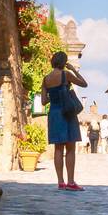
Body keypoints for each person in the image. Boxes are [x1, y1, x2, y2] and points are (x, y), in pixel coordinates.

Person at [41, 52, 88, 191]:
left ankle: (60, 182)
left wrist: (54, 96)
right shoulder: (66, 74)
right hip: (67, 112)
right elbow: (84, 84)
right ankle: (71, 182)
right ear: (64, 62)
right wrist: (73, 70)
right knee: (70, 148)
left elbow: (44, 101)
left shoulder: (46, 79)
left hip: (54, 114)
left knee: (58, 148)